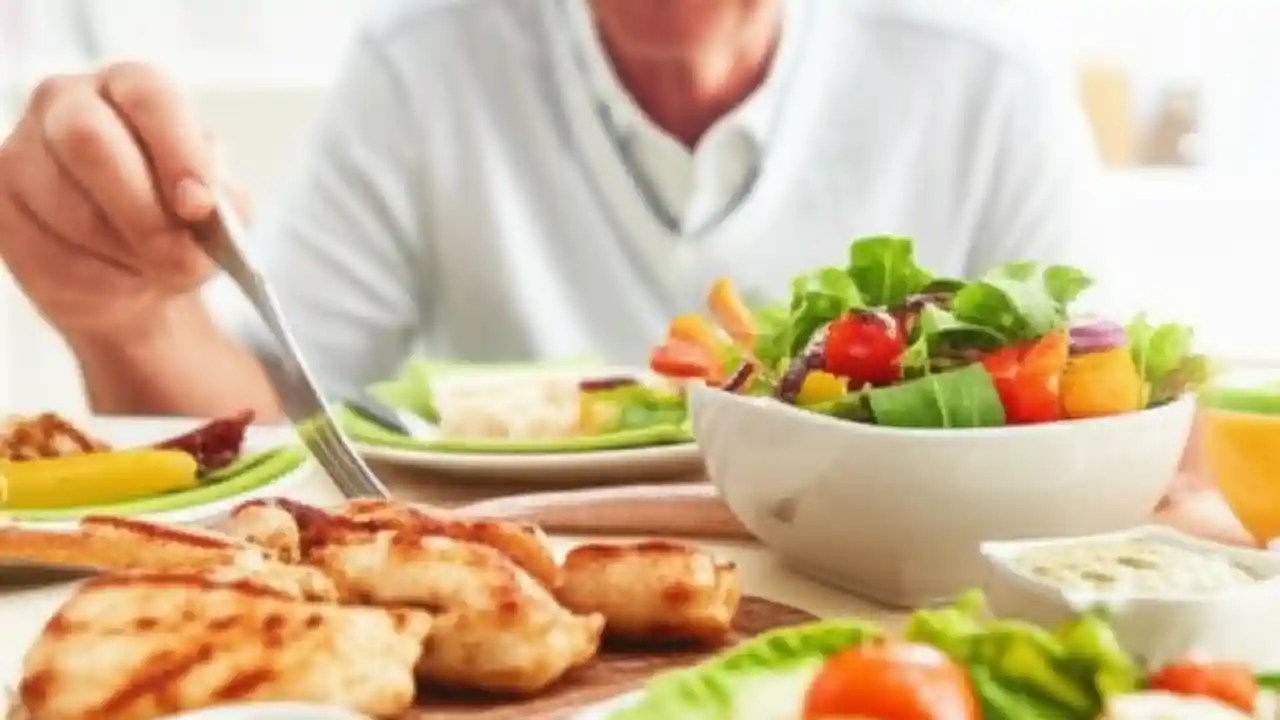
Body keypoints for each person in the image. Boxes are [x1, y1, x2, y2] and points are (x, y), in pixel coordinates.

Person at [0, 0, 1098, 420]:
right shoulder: (419, 67)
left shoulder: (990, 89)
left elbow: (1102, 440)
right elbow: (274, 417)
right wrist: (132, 319)